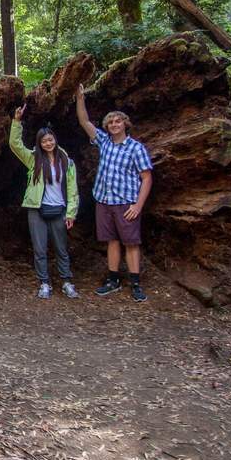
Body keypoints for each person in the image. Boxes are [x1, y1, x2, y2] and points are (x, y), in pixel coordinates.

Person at [75, 86, 153, 301]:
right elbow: (85, 122)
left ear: (125, 124)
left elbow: (146, 178)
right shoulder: (105, 143)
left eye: (117, 121)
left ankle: (135, 283)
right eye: (110, 122)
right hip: (104, 200)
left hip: (126, 202)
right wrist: (80, 99)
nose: (114, 125)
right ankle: (113, 280)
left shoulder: (136, 148)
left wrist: (138, 205)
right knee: (111, 241)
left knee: (131, 242)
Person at [9, 108, 79, 299]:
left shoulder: (66, 161)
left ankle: (66, 281)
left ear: (55, 140)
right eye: (44, 141)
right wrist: (17, 122)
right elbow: (15, 145)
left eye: (50, 139)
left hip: (59, 209)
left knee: (61, 248)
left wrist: (71, 212)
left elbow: (73, 189)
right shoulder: (33, 159)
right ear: (40, 143)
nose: (48, 143)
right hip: (36, 209)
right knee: (39, 248)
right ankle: (44, 283)